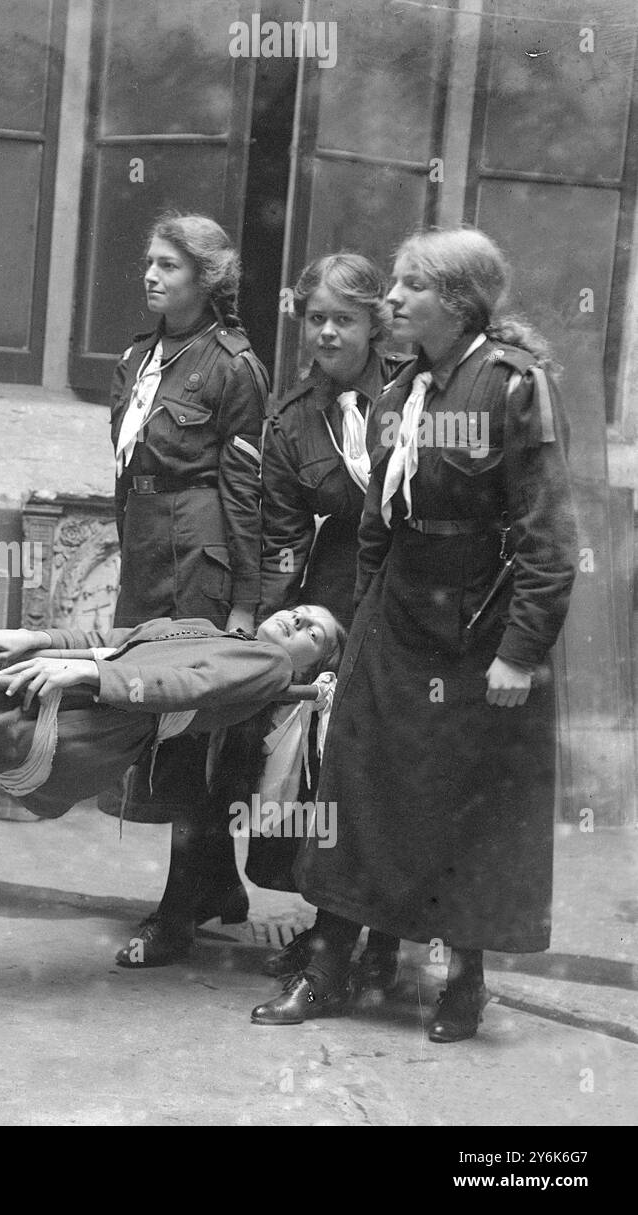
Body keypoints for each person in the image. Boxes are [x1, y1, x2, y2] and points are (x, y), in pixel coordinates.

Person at [252, 227, 577, 1043]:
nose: (390, 300)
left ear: (458, 300)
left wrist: (520, 651)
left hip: (477, 626)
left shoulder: (514, 389)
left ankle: (463, 983)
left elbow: (547, 537)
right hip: (395, 617)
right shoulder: (402, 394)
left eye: (408, 288)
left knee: (465, 805)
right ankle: (331, 962)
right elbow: (376, 525)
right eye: (393, 286)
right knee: (356, 786)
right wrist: (359, 627)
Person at [107, 213, 269, 967]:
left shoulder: (233, 365)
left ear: (207, 280)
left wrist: (243, 599)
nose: (151, 275)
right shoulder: (140, 356)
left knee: (191, 731)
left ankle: (178, 908)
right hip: (146, 550)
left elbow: (244, 487)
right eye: (149, 260)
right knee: (157, 721)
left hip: (197, 559)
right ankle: (219, 885)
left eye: (169, 265)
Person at [254, 253, 408, 997]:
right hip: (333, 592)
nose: (325, 331)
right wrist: (278, 622)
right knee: (326, 765)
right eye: (314, 317)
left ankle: (384, 939)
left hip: (411, 591)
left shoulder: (414, 396)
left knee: (391, 768)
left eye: (343, 318)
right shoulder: (290, 420)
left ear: (375, 323)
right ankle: (331, 926)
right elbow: (283, 534)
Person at [0, 605, 344, 823]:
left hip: (103, 727)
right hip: (90, 702)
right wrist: (35, 637)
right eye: (300, 610)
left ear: (309, 669)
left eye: (314, 634)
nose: (298, 620)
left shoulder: (273, 666)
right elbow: (116, 640)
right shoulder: (205, 629)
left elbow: (186, 686)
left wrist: (91, 672)